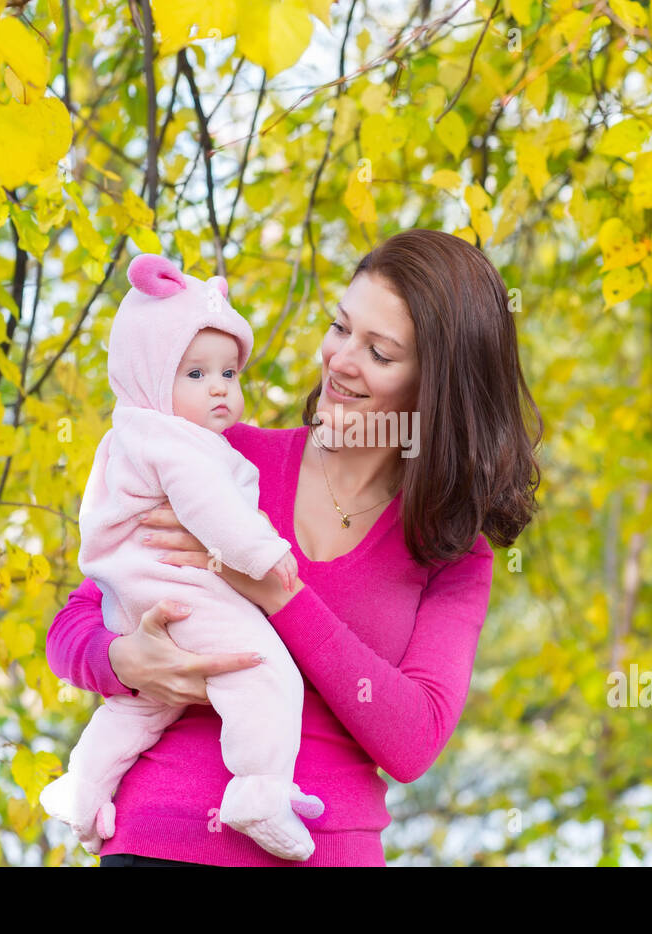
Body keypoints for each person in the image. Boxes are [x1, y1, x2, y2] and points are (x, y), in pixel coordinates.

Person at [46, 228, 543, 866]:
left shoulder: (449, 551)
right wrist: (126, 661)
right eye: (340, 328)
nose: (340, 360)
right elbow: (77, 619)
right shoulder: (222, 460)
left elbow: (413, 740)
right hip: (158, 841)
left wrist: (283, 596)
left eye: (380, 353)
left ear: (435, 386)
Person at [38, 252, 326, 862]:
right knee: (263, 670)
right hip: (177, 590)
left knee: (141, 708)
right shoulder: (179, 443)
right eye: (195, 375)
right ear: (148, 376)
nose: (220, 388)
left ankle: (84, 790)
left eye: (228, 372)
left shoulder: (131, 433)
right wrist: (263, 554)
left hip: (133, 595)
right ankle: (258, 791)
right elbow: (211, 509)